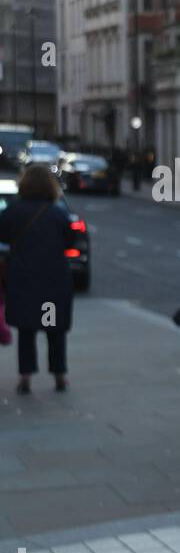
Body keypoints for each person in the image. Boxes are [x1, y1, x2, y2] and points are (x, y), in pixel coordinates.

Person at [0, 165, 75, 394]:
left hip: (23, 281)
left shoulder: (11, 212)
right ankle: (59, 375)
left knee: (26, 329)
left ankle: (25, 377)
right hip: (52, 281)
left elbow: (3, 241)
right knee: (54, 329)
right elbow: (70, 243)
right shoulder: (58, 213)